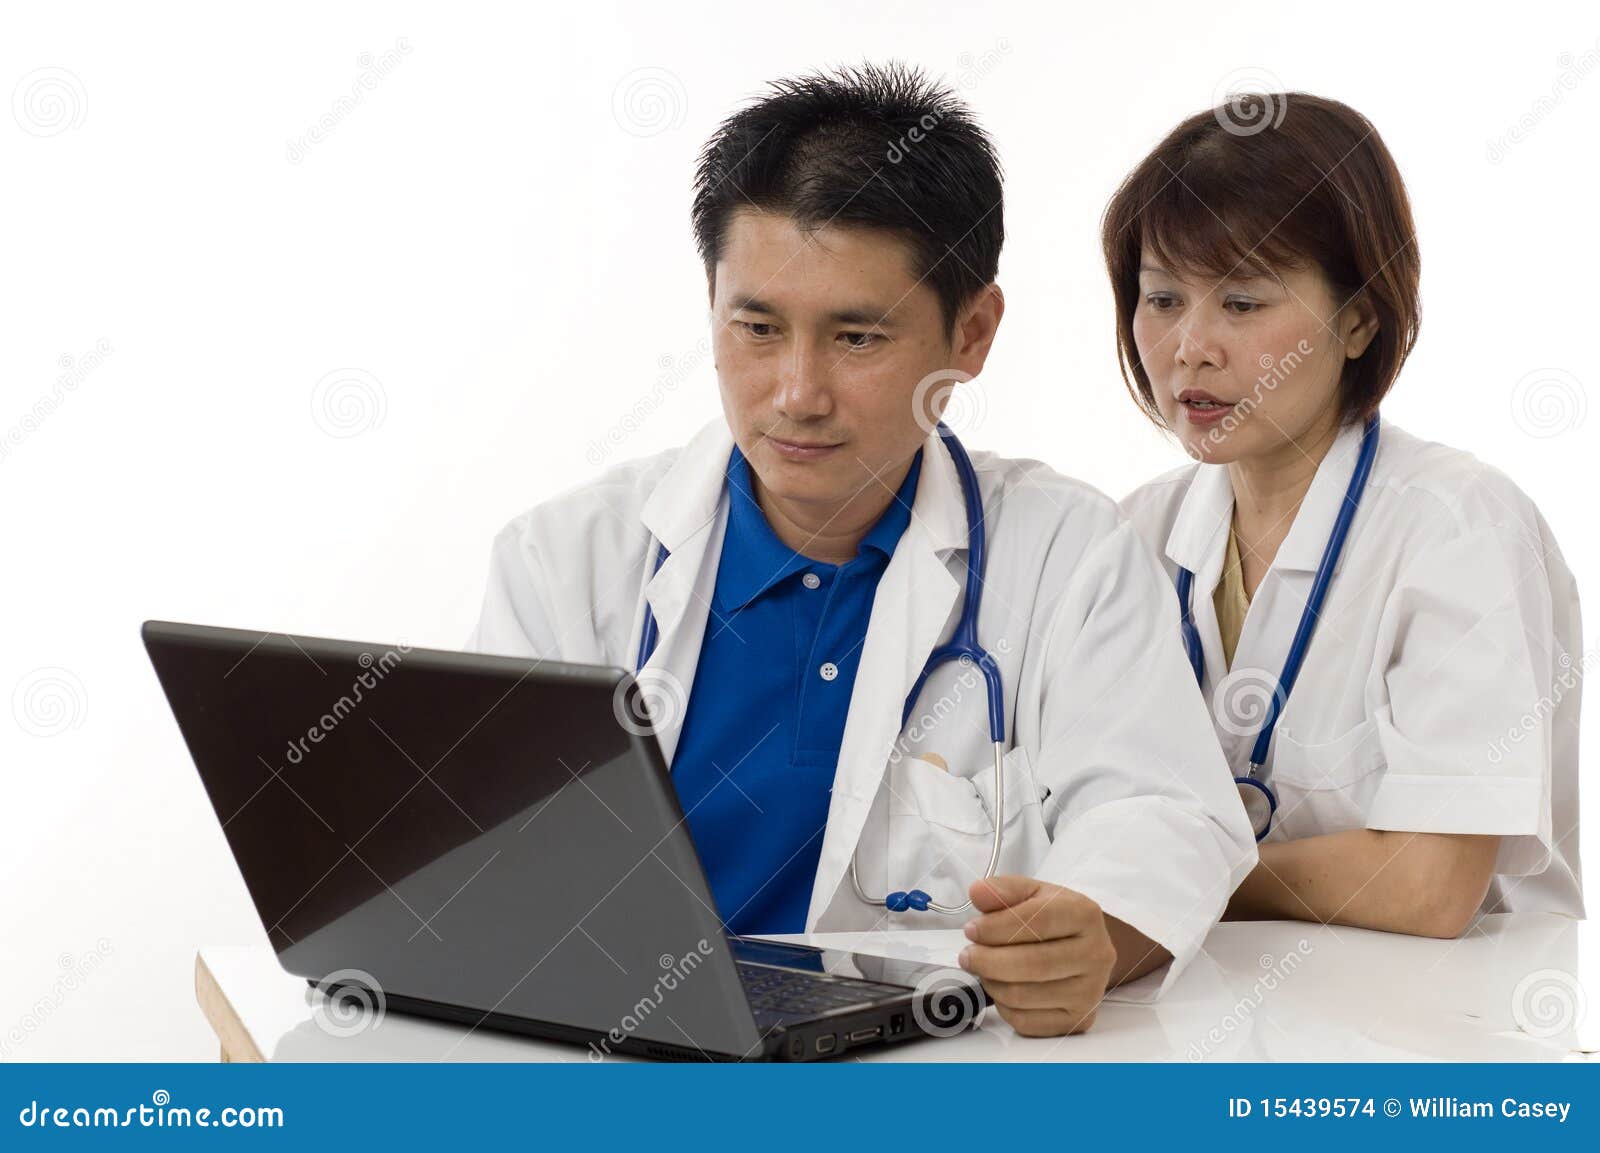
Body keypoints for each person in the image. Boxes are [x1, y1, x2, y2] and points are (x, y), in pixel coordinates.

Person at [471, 63, 1254, 1036]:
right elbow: (489, 877)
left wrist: (1088, 930)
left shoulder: (1065, 554)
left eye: (855, 337)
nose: (796, 391)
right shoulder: (565, 560)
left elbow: (1162, 812)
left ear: (970, 332)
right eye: (755, 327)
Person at [1109, 92, 1583, 937]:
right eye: (1163, 299)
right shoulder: (1138, 535)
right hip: (1203, 1026)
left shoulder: (1456, 526)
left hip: (1438, 1041)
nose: (1191, 347)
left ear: (1359, 319)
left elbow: (1429, 886)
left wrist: (1179, 874)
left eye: (1243, 303)